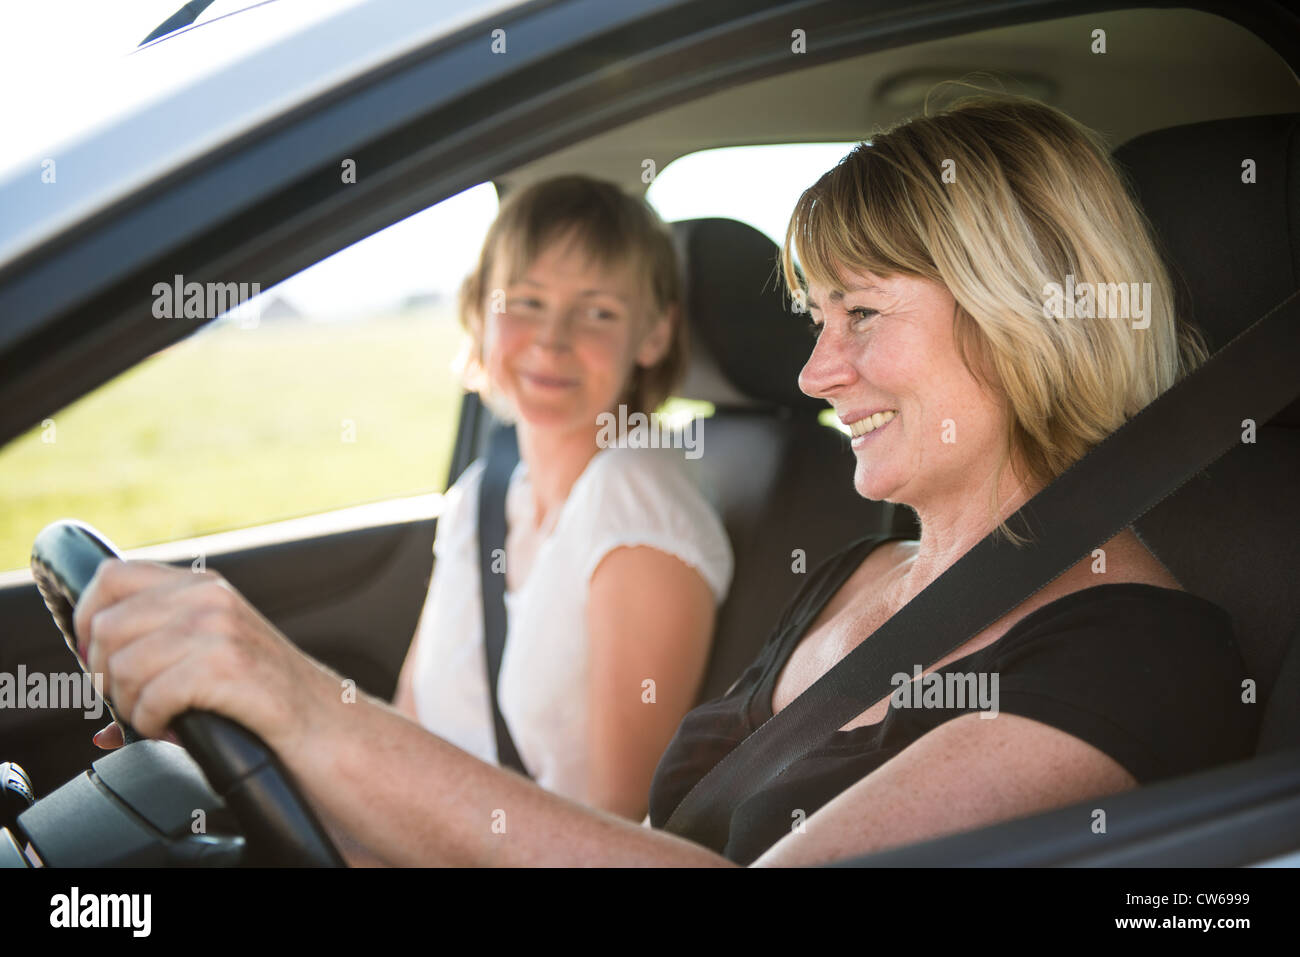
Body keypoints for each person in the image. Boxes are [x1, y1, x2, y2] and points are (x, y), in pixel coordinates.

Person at [79, 95, 1257, 866]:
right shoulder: (864, 571)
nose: (811, 370)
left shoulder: (1137, 657)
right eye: (810, 316)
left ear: (1021, 319)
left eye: (860, 314)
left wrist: (303, 707)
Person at [388, 174, 732, 822]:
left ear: (654, 334)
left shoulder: (636, 500)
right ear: (478, 311)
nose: (552, 339)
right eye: (525, 301)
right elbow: (410, 717)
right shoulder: (484, 495)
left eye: (598, 311)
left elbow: (616, 822)